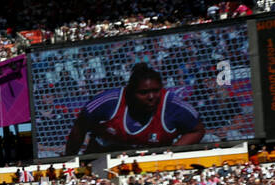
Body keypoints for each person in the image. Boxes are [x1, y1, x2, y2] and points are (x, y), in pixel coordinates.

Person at [63, 62, 205, 156]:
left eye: (156, 91)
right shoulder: (108, 102)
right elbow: (79, 127)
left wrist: (171, 153)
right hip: (103, 158)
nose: (151, 97)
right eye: (143, 92)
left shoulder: (173, 106)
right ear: (130, 91)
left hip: (151, 162)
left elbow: (197, 130)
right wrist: (70, 160)